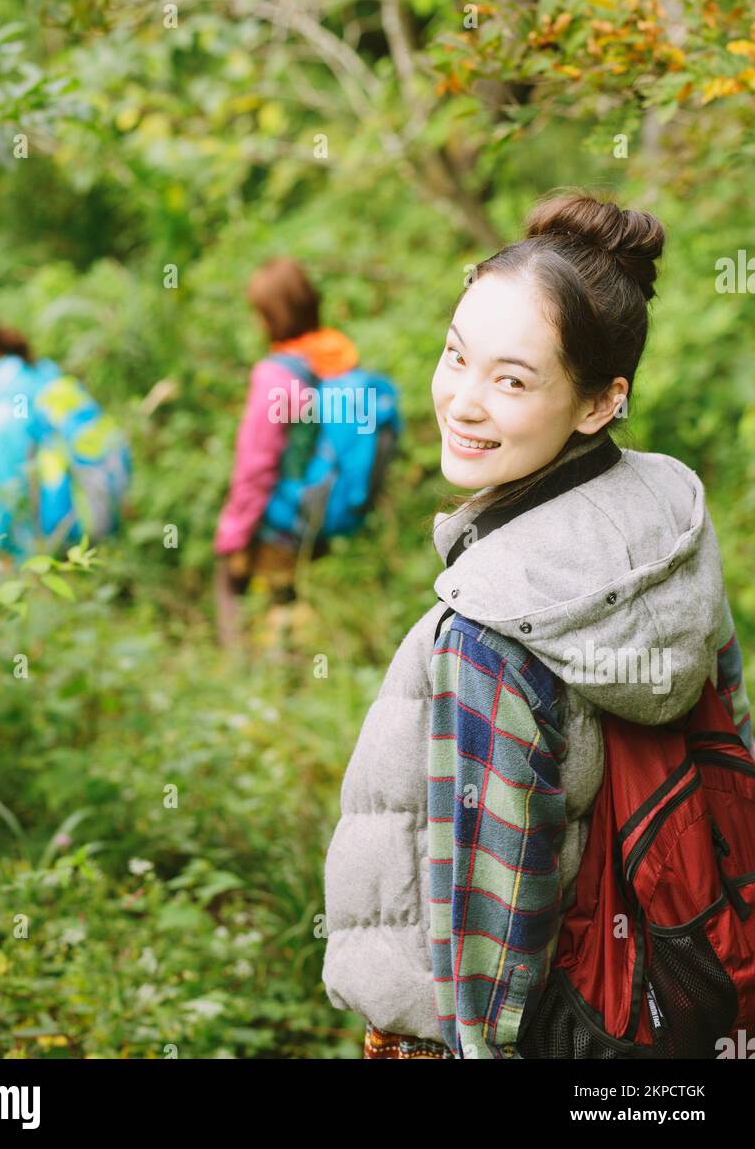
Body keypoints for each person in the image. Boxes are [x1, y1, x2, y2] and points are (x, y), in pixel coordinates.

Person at [321, 191, 753, 1060]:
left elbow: (497, 915)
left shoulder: (489, 626)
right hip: (660, 1007)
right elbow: (734, 738)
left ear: (600, 403)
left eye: (512, 380)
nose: (464, 401)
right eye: (456, 356)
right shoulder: (669, 521)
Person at [213, 258, 360, 648]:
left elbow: (255, 466)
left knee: (237, 591)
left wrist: (233, 534)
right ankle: (290, 683)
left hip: (278, 520)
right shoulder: (337, 359)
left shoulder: (277, 375)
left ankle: (243, 682)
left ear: (272, 316)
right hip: (319, 512)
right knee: (291, 608)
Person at [0, 307, 131, 559]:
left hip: (58, 536)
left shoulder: (6, 406)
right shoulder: (39, 371)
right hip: (96, 506)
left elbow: (5, 490)